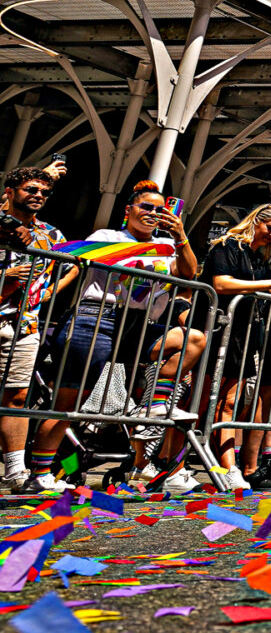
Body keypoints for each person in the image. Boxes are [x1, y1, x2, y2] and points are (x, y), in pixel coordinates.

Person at [42, 181, 203, 493]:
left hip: (140, 324)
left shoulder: (168, 247)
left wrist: (180, 237)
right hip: (96, 317)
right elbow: (98, 258)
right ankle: (39, 472)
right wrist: (148, 253)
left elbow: (188, 273)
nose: (153, 214)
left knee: (192, 338)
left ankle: (154, 406)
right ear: (129, 210)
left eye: (160, 210)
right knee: (68, 402)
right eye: (146, 207)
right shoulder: (107, 237)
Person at [199, 204, 271, 491]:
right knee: (210, 401)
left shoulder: (257, 257)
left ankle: (223, 465)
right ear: (255, 221)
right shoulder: (227, 246)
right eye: (270, 228)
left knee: (223, 402)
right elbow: (221, 283)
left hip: (241, 335)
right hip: (217, 330)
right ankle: (224, 466)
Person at [0, 166, 71, 491]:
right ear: (10, 192)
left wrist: (44, 292)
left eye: (44, 192)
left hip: (24, 324)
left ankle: (16, 473)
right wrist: (8, 278)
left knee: (17, 395)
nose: (38, 196)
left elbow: (71, 265)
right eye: (31, 190)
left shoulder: (51, 235)